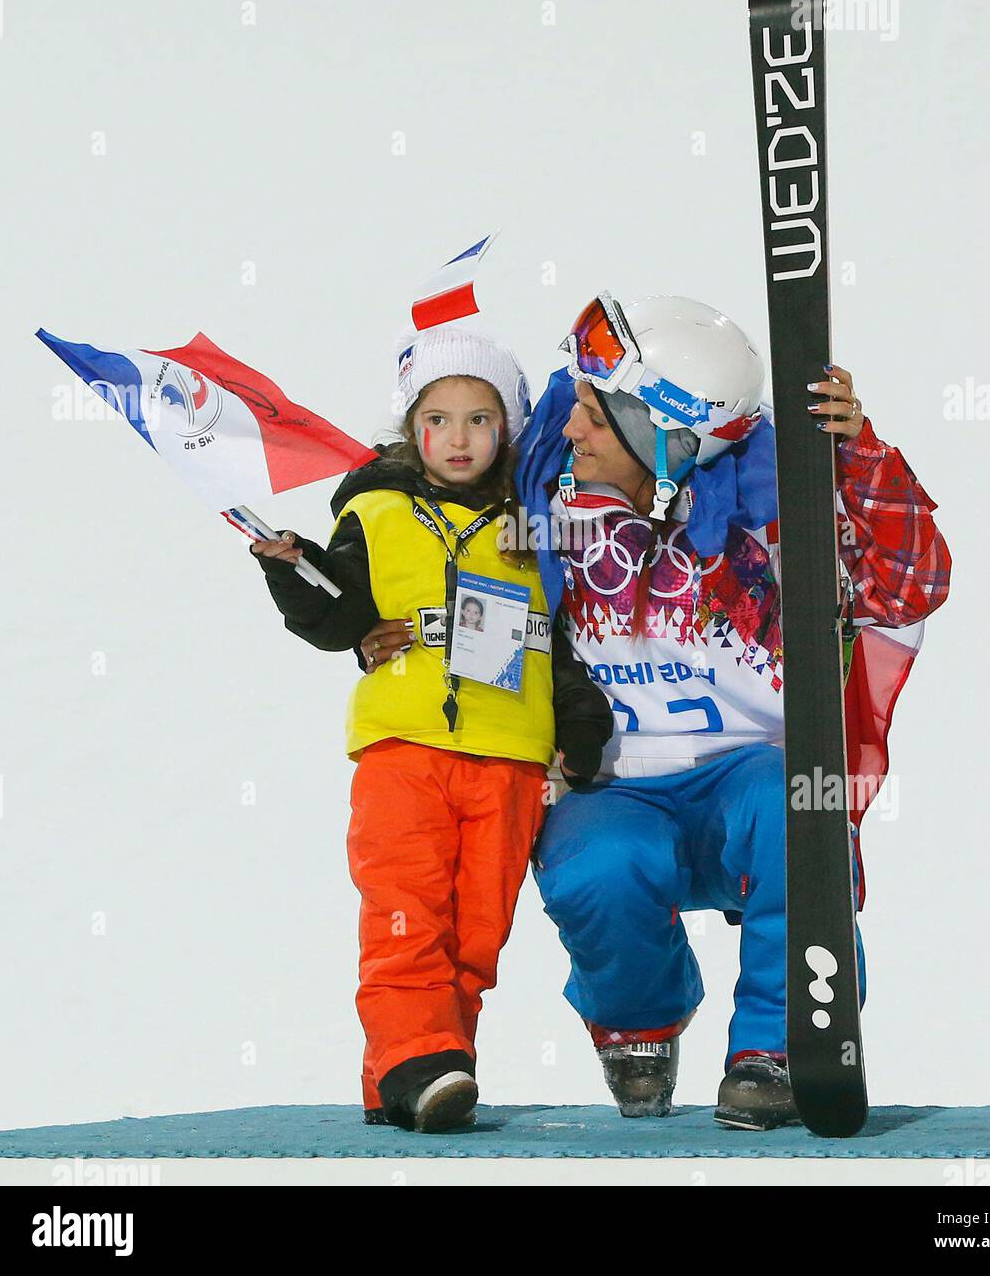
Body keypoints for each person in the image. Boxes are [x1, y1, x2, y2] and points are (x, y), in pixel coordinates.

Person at [508, 291, 953, 1129]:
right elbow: (453, 472)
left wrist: (854, 455)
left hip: (752, 769)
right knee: (597, 870)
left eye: (598, 421)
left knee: (797, 815)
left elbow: (906, 584)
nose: (572, 428)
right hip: (615, 784)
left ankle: (775, 1046)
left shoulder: (772, 503)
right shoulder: (543, 484)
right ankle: (637, 1022)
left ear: (665, 437)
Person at [251, 320, 611, 1132]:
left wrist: (578, 729)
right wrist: (293, 570)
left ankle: (415, 1079)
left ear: (508, 430)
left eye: (479, 419)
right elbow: (339, 614)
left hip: (509, 756)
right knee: (406, 910)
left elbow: (561, 640)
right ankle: (422, 1063)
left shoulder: (533, 524)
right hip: (404, 746)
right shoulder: (375, 512)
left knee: (476, 930)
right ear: (411, 428)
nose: (457, 438)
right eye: (437, 419)